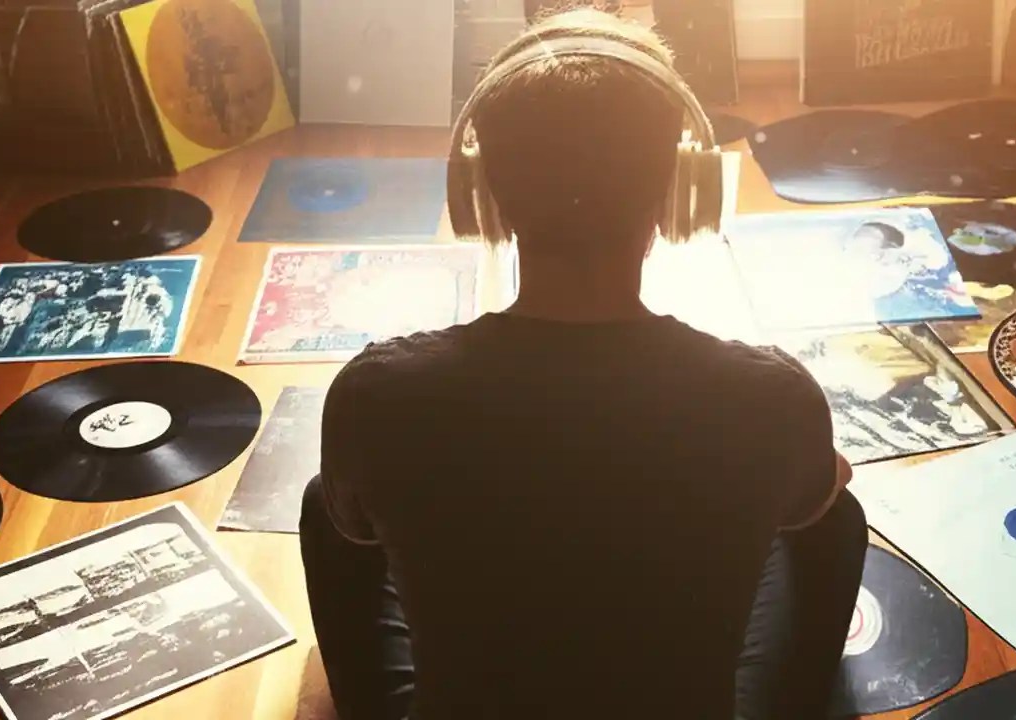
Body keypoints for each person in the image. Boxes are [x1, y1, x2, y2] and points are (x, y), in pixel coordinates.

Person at [300, 8, 866, 719]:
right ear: (679, 196)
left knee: (329, 504)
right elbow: (814, 498)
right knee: (831, 515)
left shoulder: (378, 392)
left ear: (481, 201)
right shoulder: (771, 396)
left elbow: (357, 525)